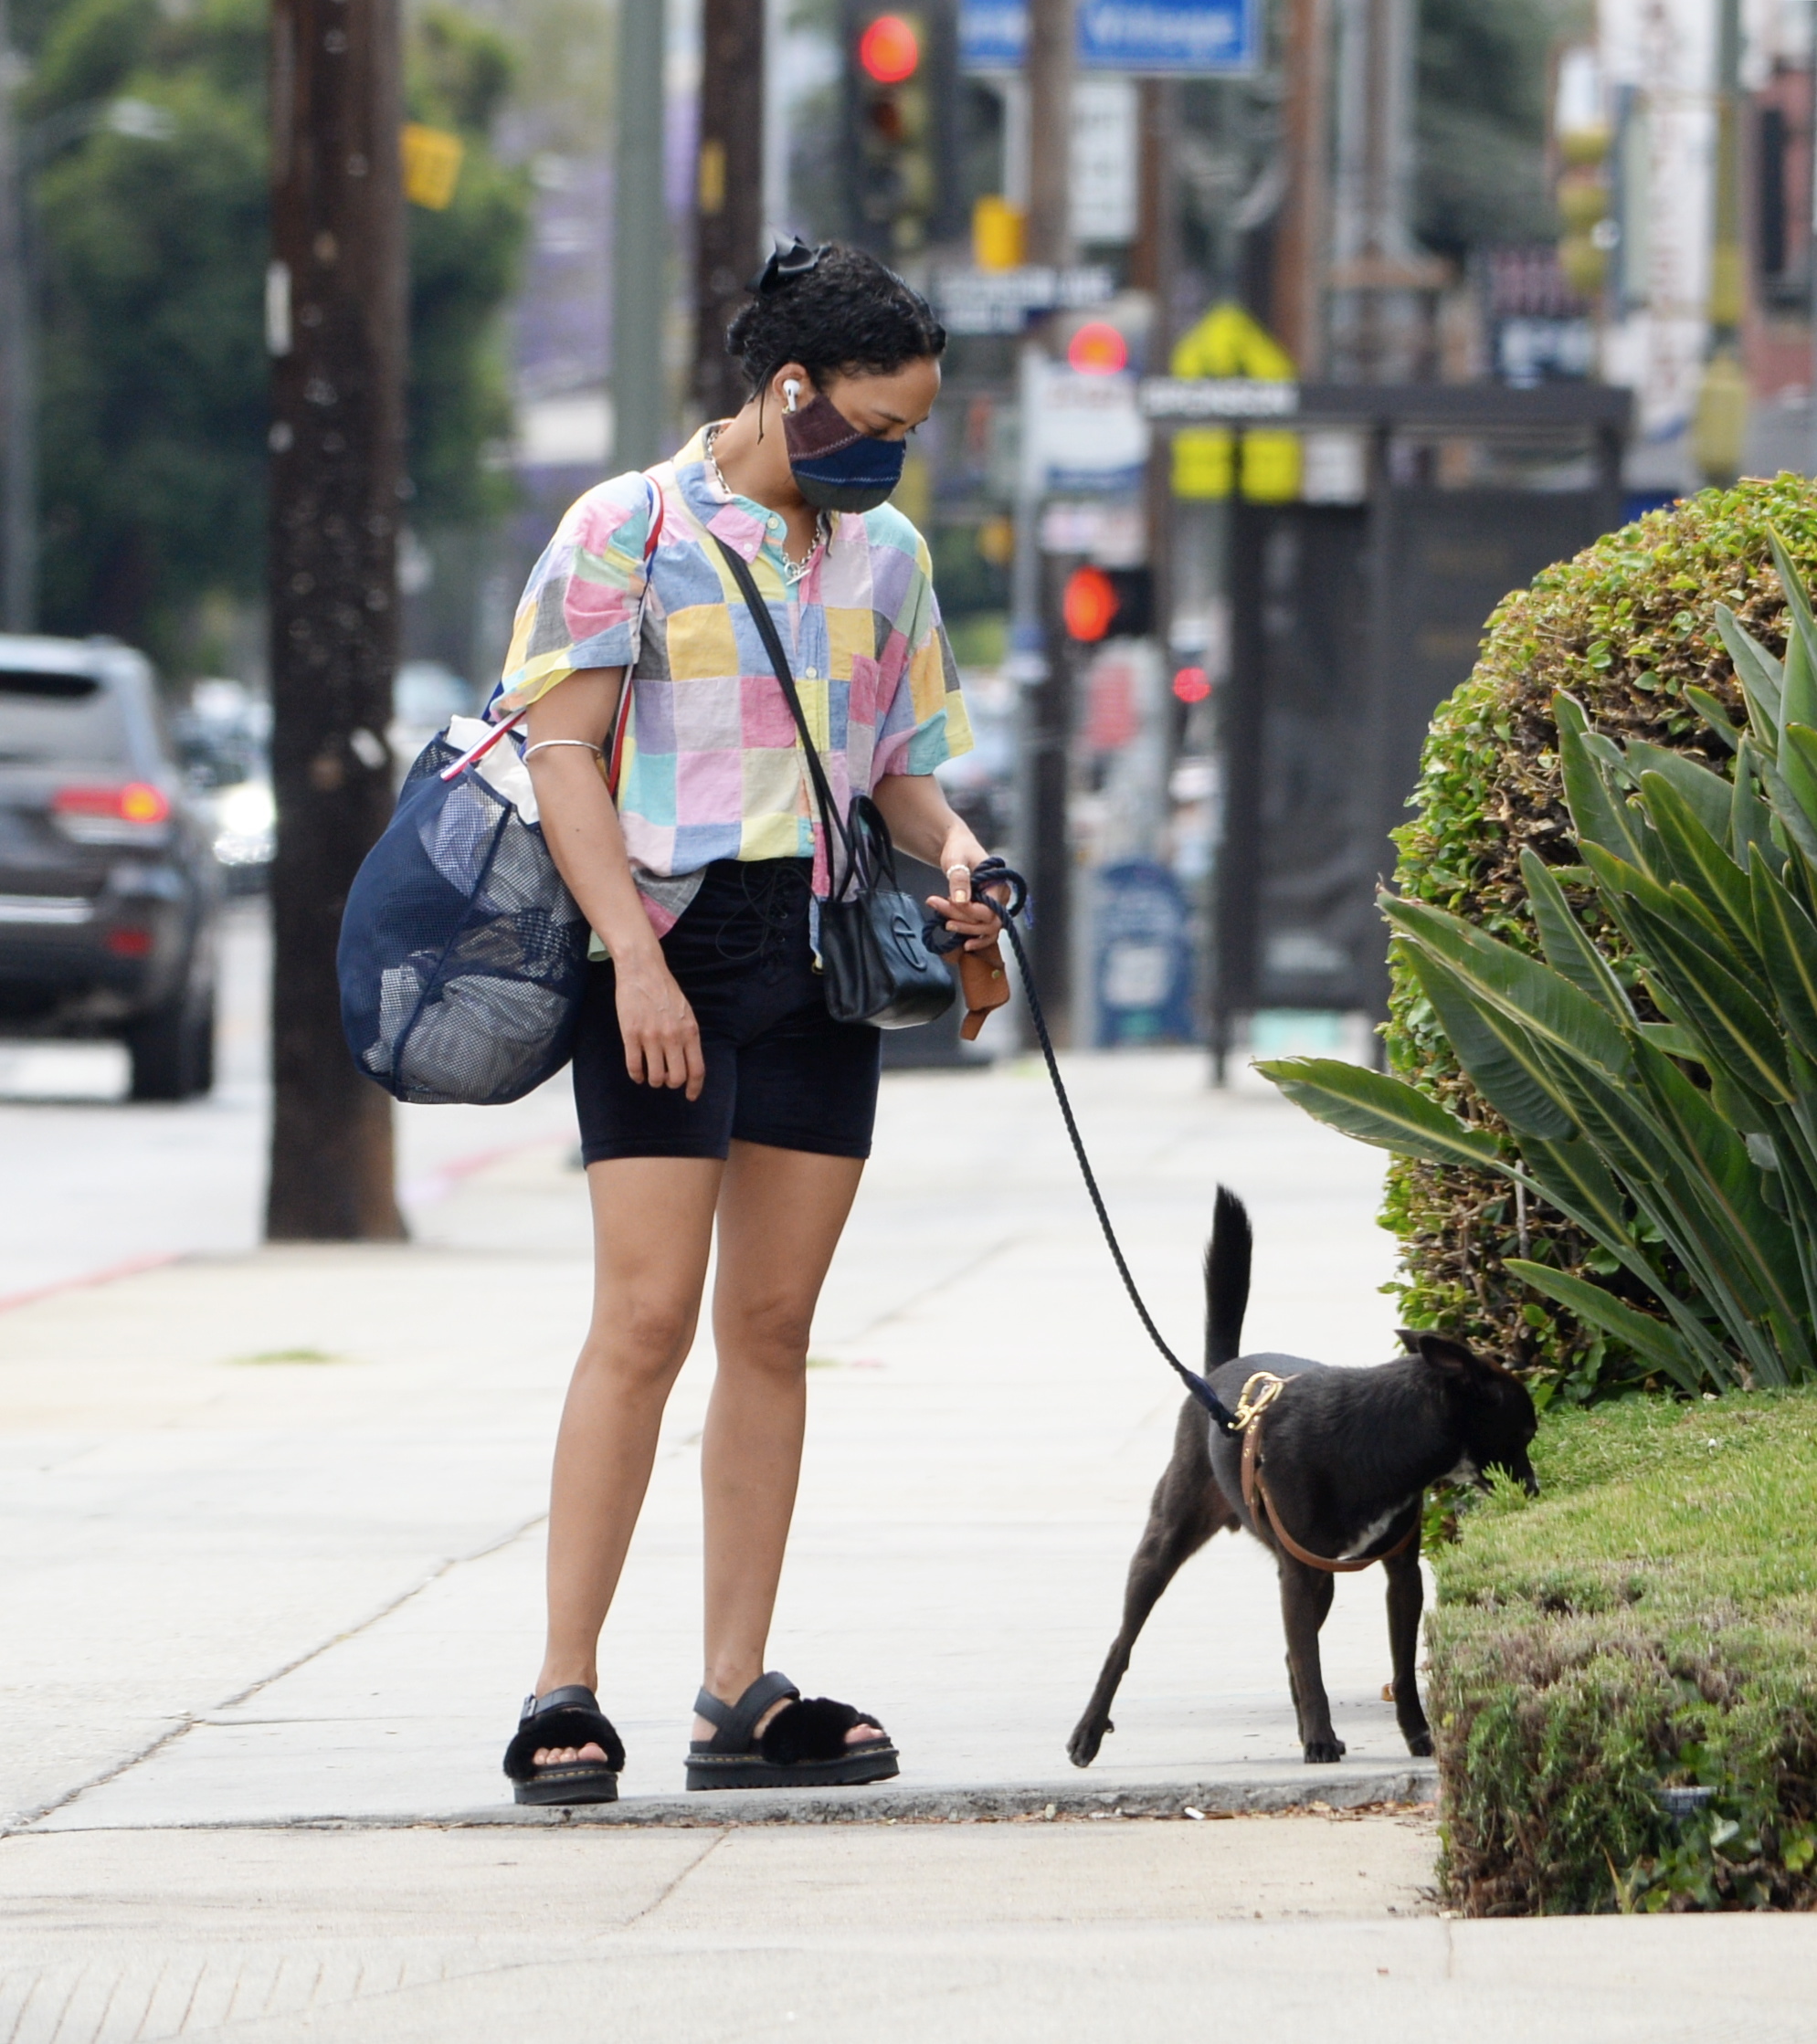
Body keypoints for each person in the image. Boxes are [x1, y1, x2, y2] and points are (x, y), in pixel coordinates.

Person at [496, 241, 1003, 1804]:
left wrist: (960, 854)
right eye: (870, 422)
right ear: (788, 391)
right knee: (642, 1321)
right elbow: (562, 756)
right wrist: (631, 962)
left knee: (772, 1330)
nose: (889, 454)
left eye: (909, 430)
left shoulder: (887, 554)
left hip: (820, 956)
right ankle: (560, 1687)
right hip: (665, 947)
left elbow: (895, 759)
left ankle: (735, 1690)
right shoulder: (625, 530)